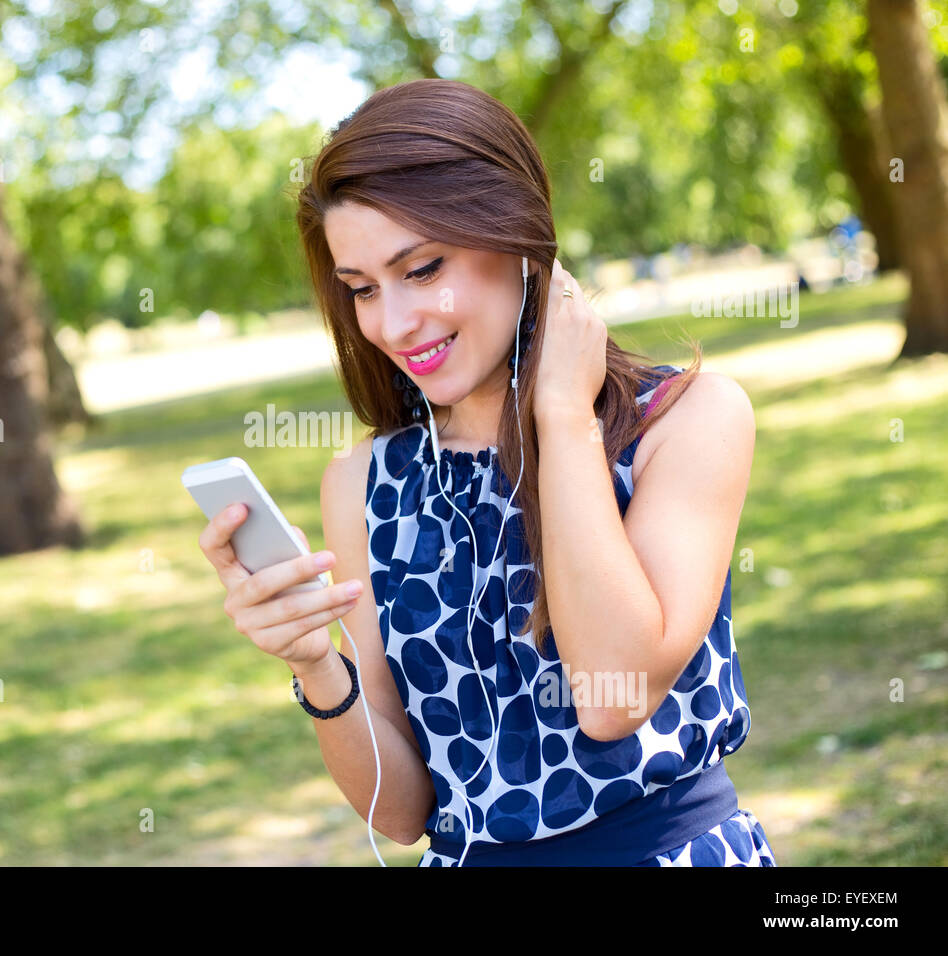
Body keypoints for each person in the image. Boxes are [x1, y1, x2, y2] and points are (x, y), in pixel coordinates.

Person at [197, 79, 775, 867]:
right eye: (363, 290)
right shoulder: (364, 484)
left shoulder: (685, 421)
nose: (393, 324)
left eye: (424, 268)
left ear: (516, 237)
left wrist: (563, 419)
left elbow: (617, 695)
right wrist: (314, 663)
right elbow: (400, 813)